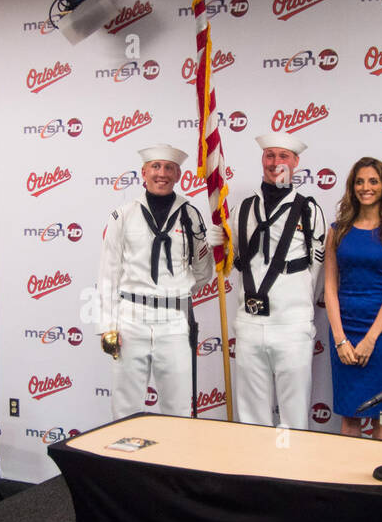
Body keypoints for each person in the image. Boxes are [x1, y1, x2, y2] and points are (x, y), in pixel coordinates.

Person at [97, 144, 211, 419]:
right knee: (126, 405)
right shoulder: (122, 215)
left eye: (169, 168)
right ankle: (124, 462)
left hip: (173, 319)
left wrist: (176, 291)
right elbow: (108, 273)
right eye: (156, 167)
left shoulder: (190, 214)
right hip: (131, 318)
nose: (162, 174)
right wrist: (107, 326)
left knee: (179, 405)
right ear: (143, 173)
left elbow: (202, 270)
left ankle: (172, 460)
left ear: (178, 174)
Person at [226, 132, 327, 429]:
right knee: (250, 416)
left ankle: (290, 472)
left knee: (294, 416)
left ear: (296, 162)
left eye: (283, 156)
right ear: (262, 160)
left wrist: (293, 301)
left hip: (292, 325)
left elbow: (316, 273)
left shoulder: (309, 211)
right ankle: (252, 472)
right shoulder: (242, 209)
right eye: (270, 155)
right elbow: (234, 264)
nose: (275, 162)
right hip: (249, 324)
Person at [323, 156, 382, 439]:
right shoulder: (337, 231)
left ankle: (380, 478)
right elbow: (330, 288)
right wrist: (340, 338)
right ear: (351, 186)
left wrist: (370, 339)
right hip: (344, 327)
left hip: (381, 331)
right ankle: (351, 481)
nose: (365, 187)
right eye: (359, 181)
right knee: (351, 413)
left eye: (373, 181)